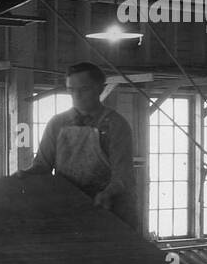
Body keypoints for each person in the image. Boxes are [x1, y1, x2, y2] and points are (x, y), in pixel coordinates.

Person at [18, 62, 139, 230]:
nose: (77, 95)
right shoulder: (57, 123)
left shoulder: (115, 125)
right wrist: (26, 174)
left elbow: (122, 176)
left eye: (84, 89)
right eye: (71, 90)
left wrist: (107, 194)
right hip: (68, 207)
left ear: (99, 88)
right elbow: (42, 166)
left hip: (108, 210)